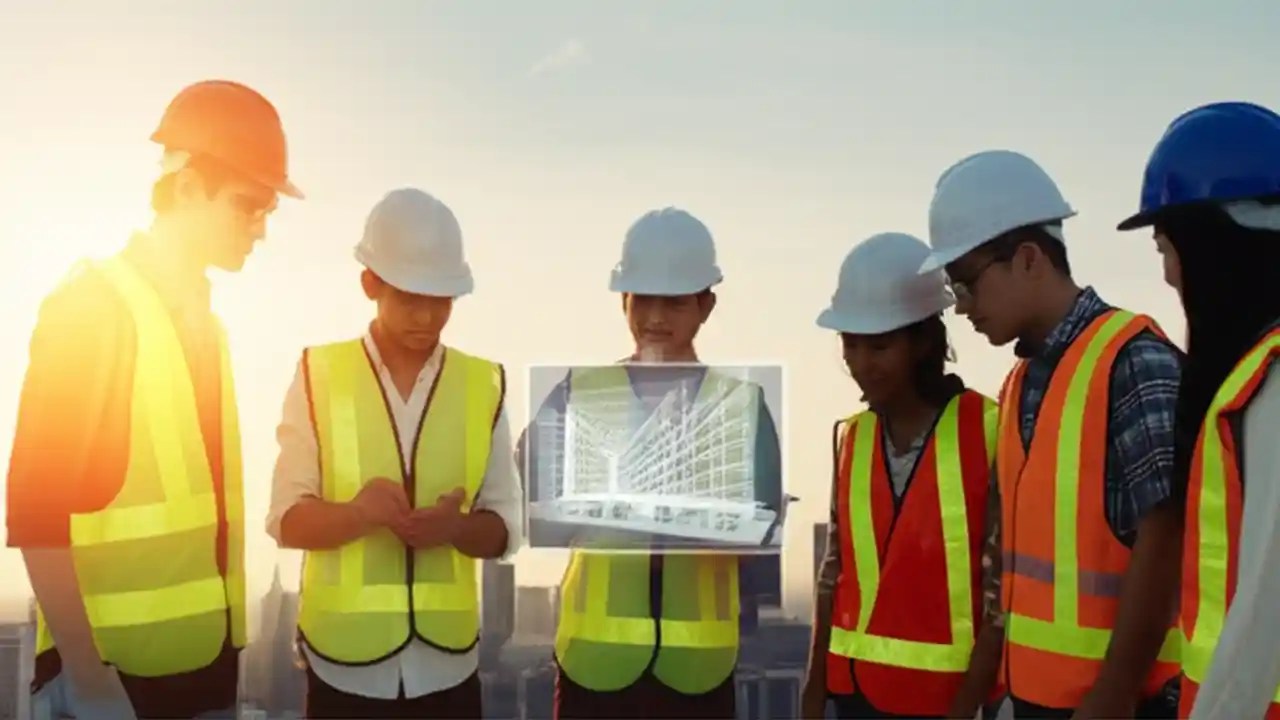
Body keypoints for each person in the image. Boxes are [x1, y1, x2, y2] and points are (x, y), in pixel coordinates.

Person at [5, 79, 301, 720]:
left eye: (269, 213)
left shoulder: (205, 326)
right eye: (249, 206)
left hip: (204, 680)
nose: (261, 230)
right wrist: (86, 679)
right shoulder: (94, 308)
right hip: (114, 686)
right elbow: (34, 510)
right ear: (189, 188)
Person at [920, 149, 1184, 719]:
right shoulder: (1020, 384)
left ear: (1029, 259)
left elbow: (1167, 542)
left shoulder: (1134, 361)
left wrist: (1112, 696)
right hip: (1039, 702)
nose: (962, 307)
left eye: (966, 283)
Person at [516, 207, 783, 720]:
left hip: (696, 674)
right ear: (623, 300)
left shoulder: (741, 407)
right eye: (643, 299)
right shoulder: (579, 393)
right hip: (595, 668)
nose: (656, 317)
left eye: (675, 302)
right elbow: (530, 495)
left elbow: (761, 532)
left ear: (706, 305)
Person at [266, 188, 522, 719]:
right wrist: (358, 516)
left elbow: (504, 530)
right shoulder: (319, 375)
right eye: (410, 297)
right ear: (371, 284)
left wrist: (454, 530)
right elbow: (287, 521)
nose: (427, 317)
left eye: (441, 300)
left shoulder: (484, 384)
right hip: (342, 670)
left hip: (450, 672)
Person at [1116, 101, 1280, 719]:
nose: (1167, 276)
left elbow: (1263, 613)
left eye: (1166, 248)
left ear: (1217, 243)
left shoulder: (1272, 389)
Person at [800, 232, 999, 720]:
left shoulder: (990, 430)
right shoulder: (852, 438)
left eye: (880, 346)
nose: (862, 364)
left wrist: (968, 708)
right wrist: (811, 693)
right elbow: (834, 572)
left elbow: (1002, 595)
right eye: (851, 345)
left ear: (923, 342)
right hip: (853, 698)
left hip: (947, 700)